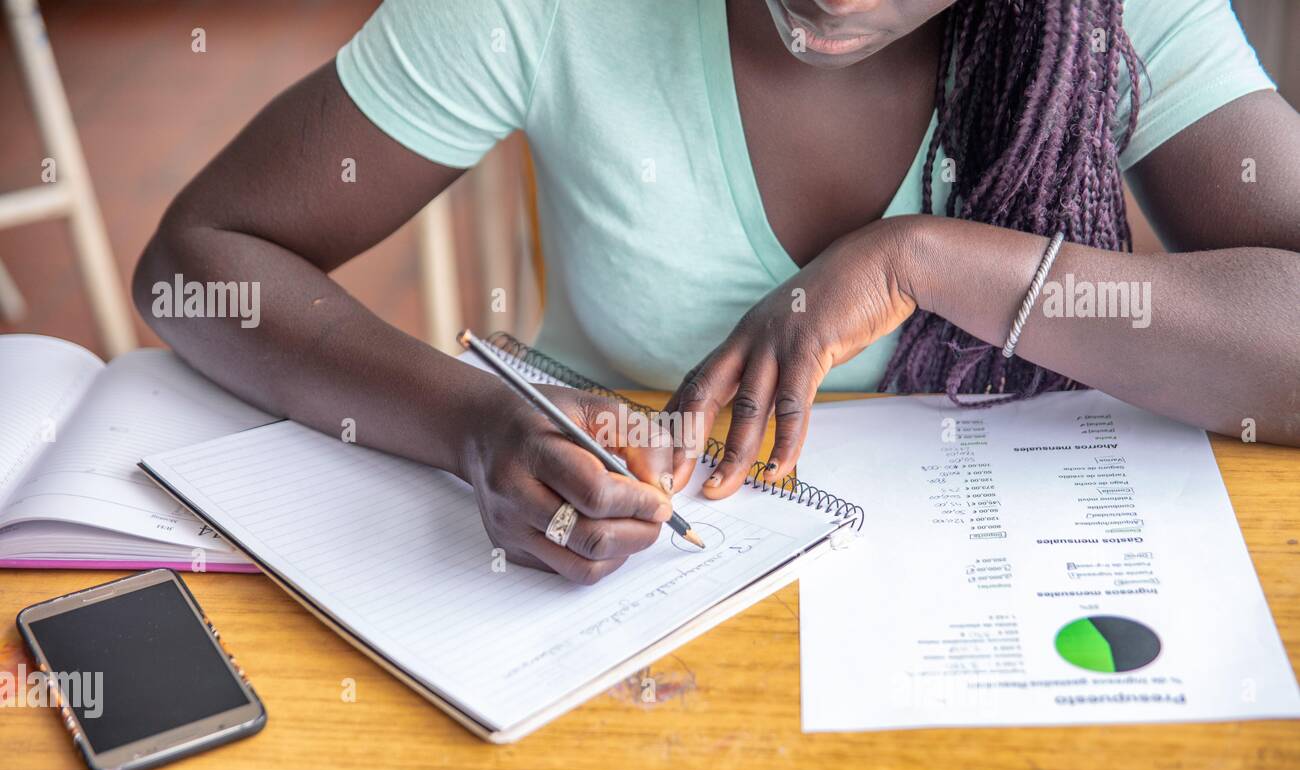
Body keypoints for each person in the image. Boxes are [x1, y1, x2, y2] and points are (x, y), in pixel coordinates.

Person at [135, 0, 1300, 585]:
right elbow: (200, 258)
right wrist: (476, 427)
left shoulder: (1117, 15)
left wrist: (920, 259)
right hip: (641, 616)